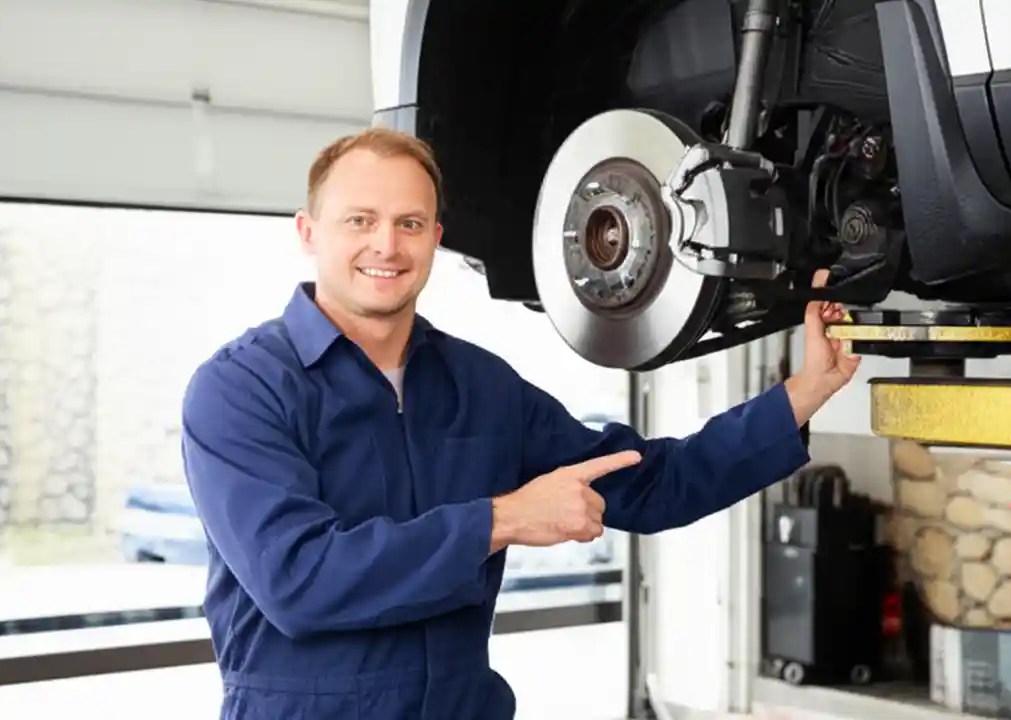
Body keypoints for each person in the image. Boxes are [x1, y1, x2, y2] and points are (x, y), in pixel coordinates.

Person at [180, 127, 861, 720]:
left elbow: (653, 484)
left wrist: (801, 393)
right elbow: (299, 582)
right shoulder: (240, 390)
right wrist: (500, 520)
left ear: (436, 238)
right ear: (309, 232)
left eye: (410, 223)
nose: (386, 245)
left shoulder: (479, 386)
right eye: (359, 220)